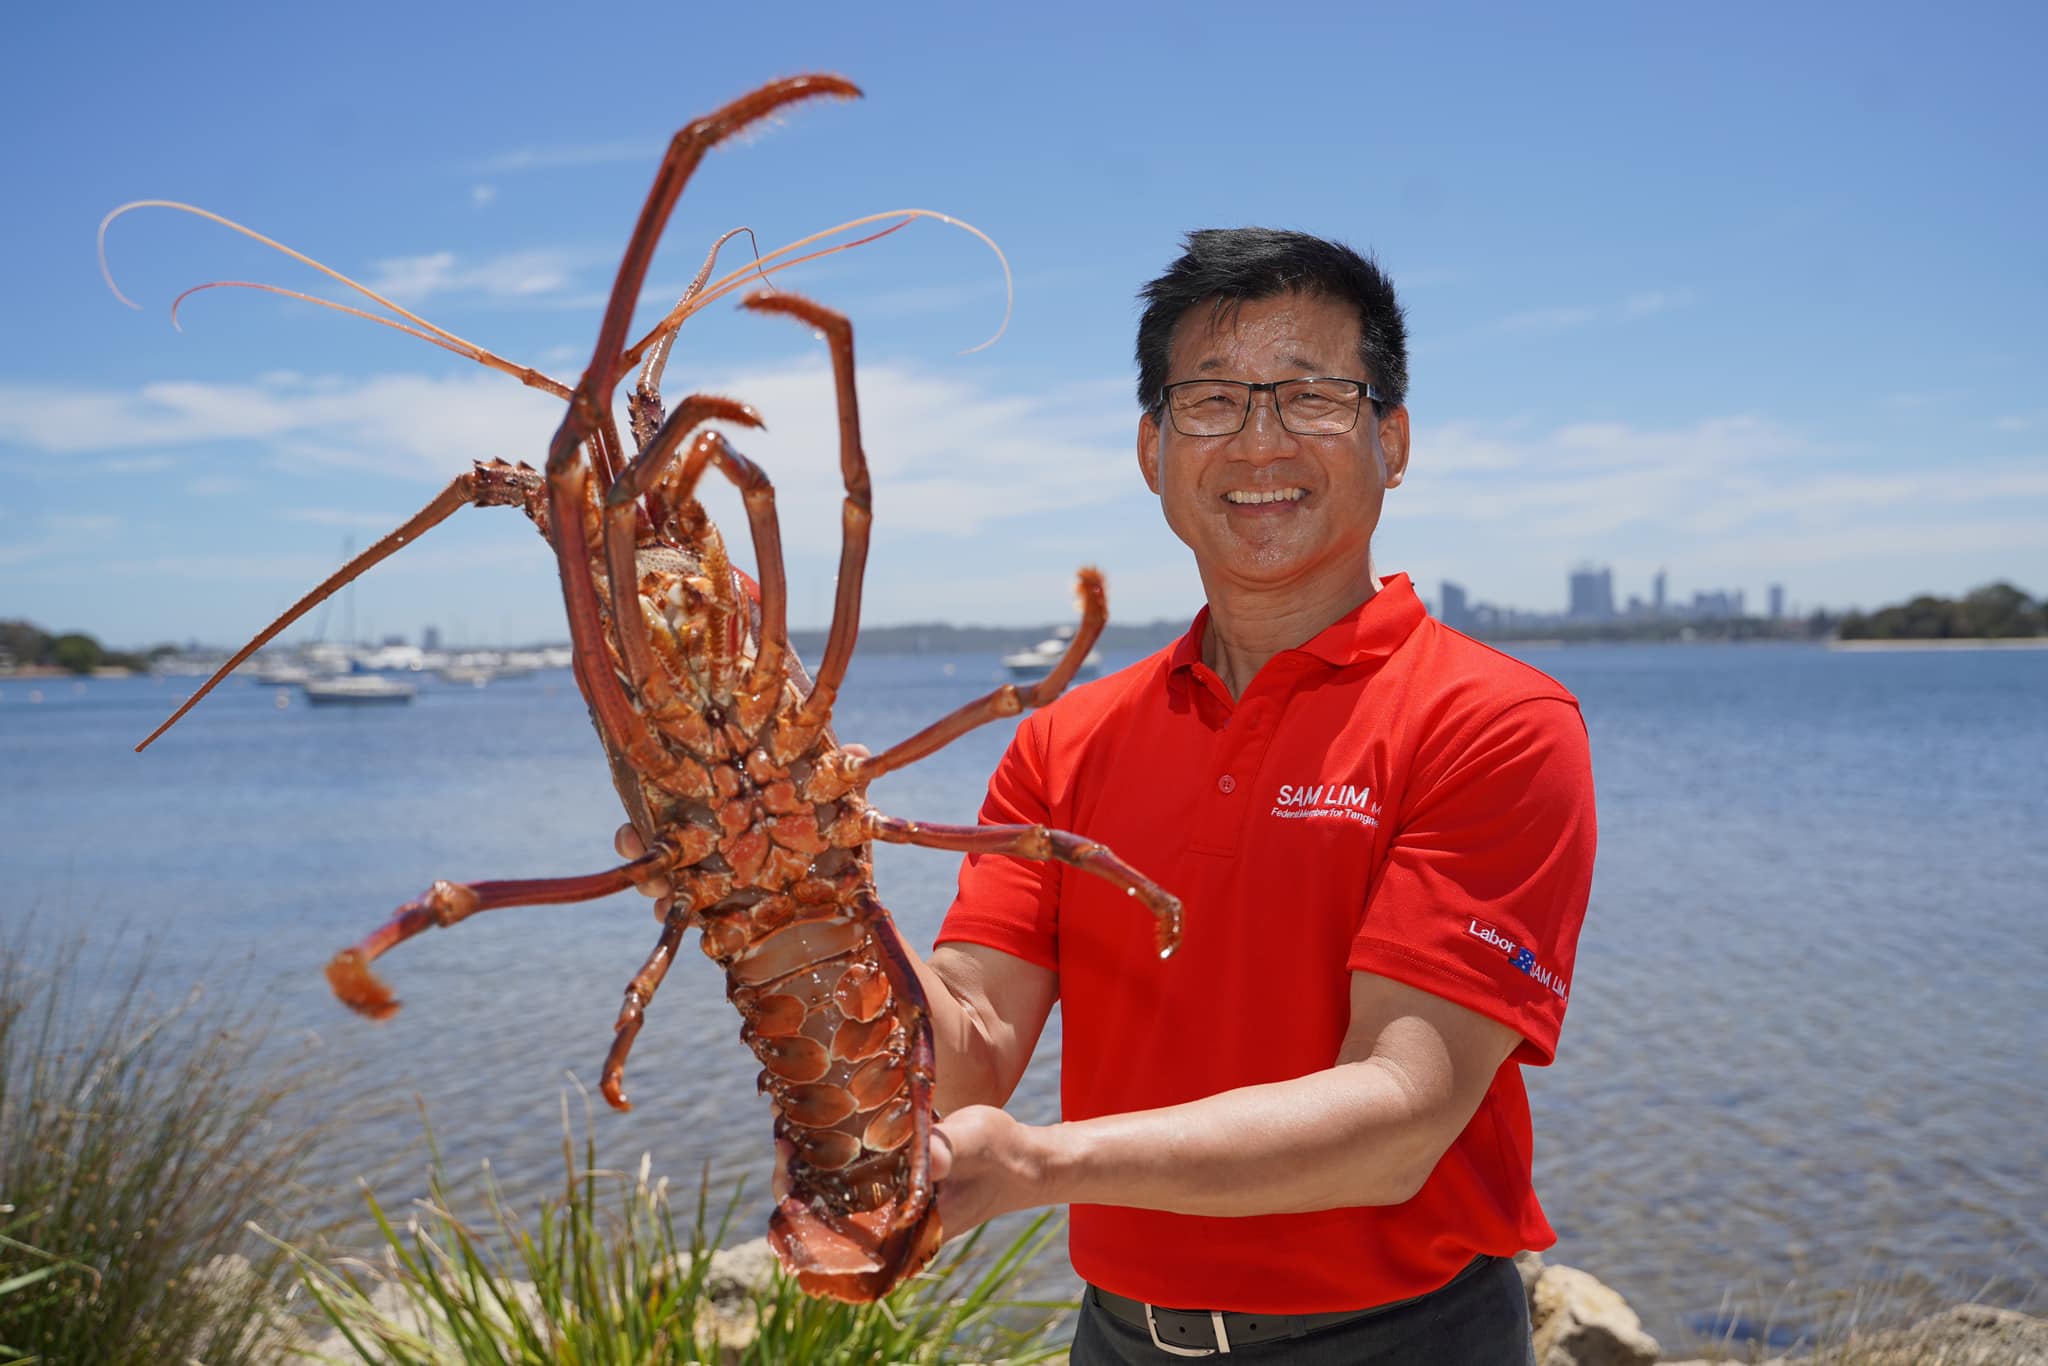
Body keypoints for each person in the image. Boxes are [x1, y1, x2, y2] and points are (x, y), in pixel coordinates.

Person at [634, 228, 1595, 1363]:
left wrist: (1045, 1164)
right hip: (1119, 1338)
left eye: (1312, 396)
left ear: (1391, 438)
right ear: (1151, 449)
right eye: (1210, 401)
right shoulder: (1064, 741)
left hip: (1404, 1339)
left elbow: (1400, 1114)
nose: (1259, 440)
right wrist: (804, 877)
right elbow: (970, 1042)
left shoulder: (1495, 721)